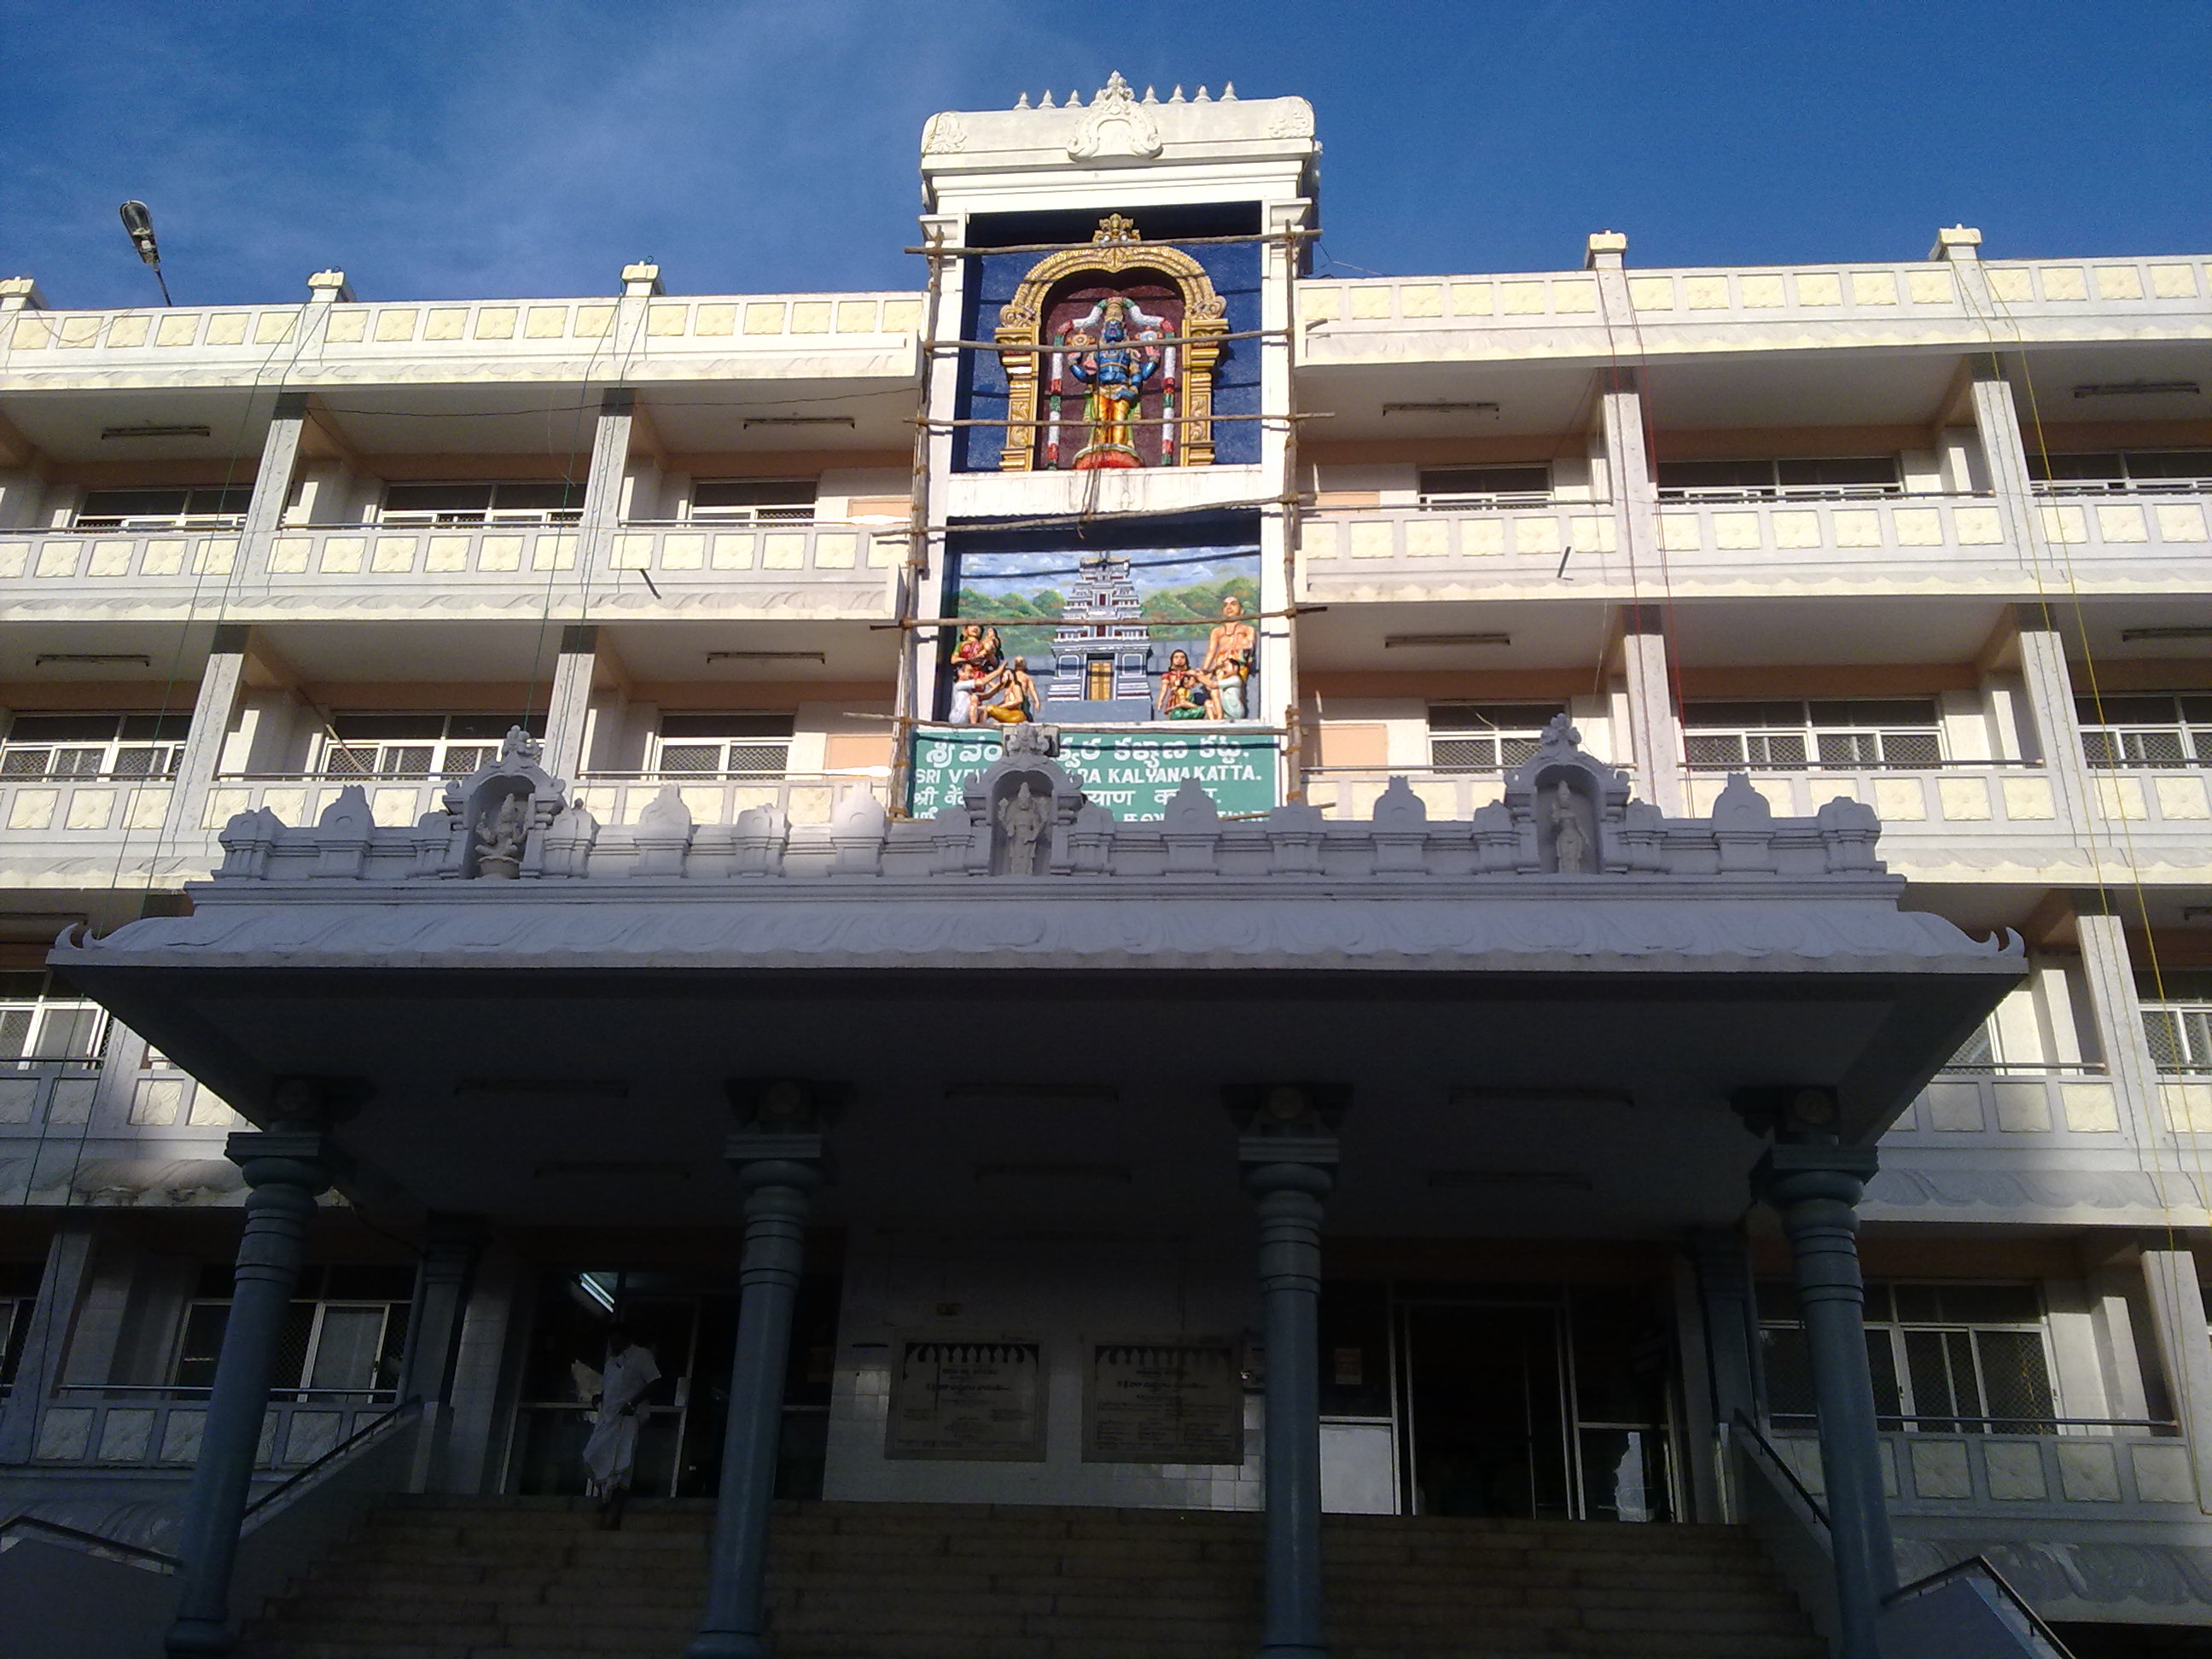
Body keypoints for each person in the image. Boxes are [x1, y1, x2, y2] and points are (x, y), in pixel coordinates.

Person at [581, 1325, 660, 1528]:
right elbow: (611, 1389)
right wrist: (600, 1398)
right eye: (611, 1342)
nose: (614, 1346)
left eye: (618, 1342)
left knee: (621, 1465)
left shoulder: (641, 1356)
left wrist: (633, 1403)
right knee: (594, 1455)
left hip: (627, 1419)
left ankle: (614, 1514)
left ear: (627, 1340)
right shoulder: (610, 1363)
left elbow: (655, 1382)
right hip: (608, 1419)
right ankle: (604, 1497)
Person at [1201, 596, 1254, 722]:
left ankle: (1235, 713)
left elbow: (1250, 647)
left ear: (1241, 611)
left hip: (1238, 663)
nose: (1229, 607)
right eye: (1225, 605)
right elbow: (1211, 651)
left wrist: (1243, 644)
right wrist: (1205, 671)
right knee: (1219, 690)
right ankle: (1221, 715)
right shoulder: (1217, 631)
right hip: (1221, 663)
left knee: (1235, 689)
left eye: (1233, 604)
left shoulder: (1247, 629)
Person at [1155, 649, 1209, 720]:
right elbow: (1164, 689)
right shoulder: (1168, 675)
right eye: (1176, 657)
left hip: (1188, 696)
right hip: (1175, 697)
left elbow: (1201, 681)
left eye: (1182, 657)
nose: (1179, 659)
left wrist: (1199, 674)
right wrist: (1160, 702)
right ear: (1172, 660)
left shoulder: (1190, 673)